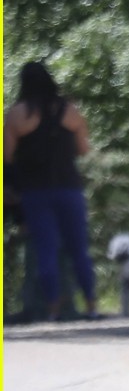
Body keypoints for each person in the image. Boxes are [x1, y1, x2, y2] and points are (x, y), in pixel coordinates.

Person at [3, 61, 98, 321]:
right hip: (69, 187)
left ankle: (53, 310)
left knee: (46, 249)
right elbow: (83, 149)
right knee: (79, 248)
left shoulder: (16, 115)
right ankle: (91, 305)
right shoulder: (71, 111)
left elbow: (7, 157)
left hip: (35, 191)